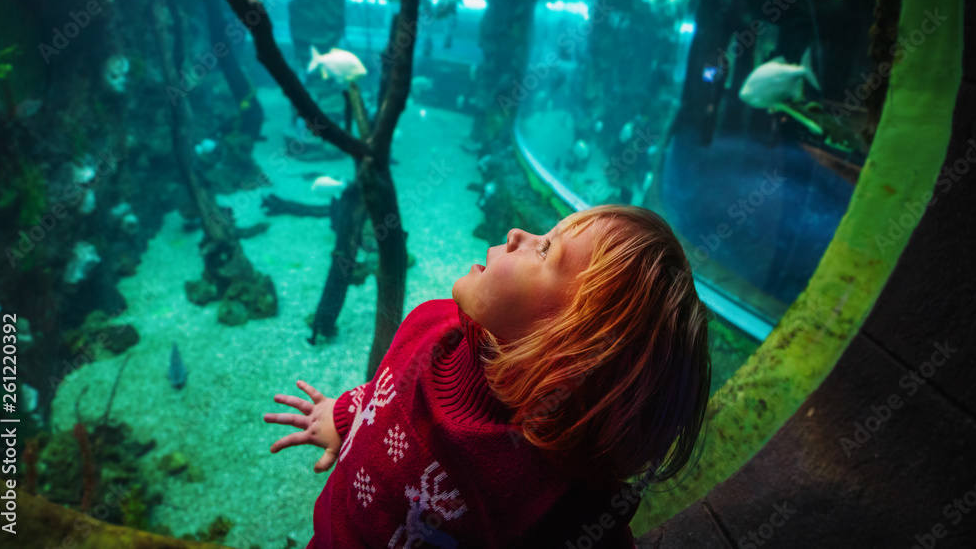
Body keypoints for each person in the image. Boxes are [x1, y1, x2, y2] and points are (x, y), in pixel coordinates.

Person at [264, 204, 712, 548]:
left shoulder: (556, 495)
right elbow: (389, 392)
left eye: (546, 249)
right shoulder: (431, 325)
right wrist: (344, 416)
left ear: (568, 347)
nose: (518, 233)